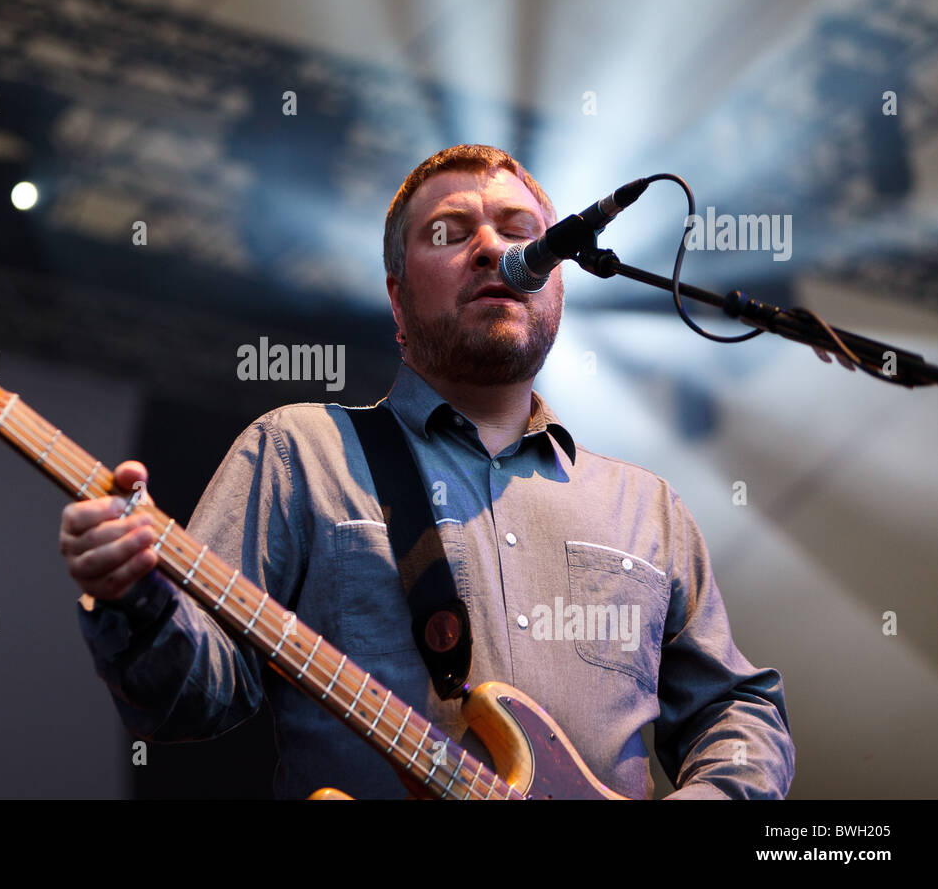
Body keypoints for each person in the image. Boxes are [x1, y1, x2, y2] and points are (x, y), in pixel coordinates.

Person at [59, 144, 796, 800]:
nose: (489, 249)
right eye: (448, 232)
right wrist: (135, 600)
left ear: (559, 278)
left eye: (518, 232)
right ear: (397, 295)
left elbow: (737, 707)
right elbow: (192, 702)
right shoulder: (299, 452)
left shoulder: (648, 507)